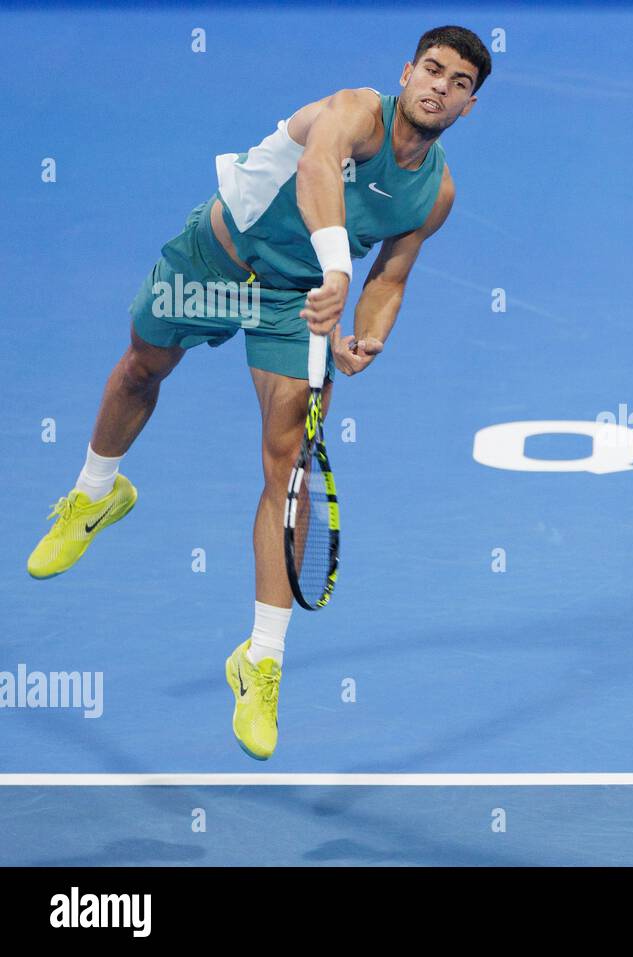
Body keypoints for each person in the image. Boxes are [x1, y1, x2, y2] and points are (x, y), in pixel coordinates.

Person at [25, 25, 491, 760]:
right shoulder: (351, 112)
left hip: (296, 304)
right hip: (214, 260)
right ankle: (96, 491)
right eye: (432, 69)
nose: (441, 86)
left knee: (291, 462)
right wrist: (338, 268)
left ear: (468, 107)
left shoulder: (436, 194)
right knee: (141, 370)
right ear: (406, 72)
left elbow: (391, 279)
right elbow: (315, 174)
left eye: (460, 83)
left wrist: (365, 336)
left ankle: (261, 660)